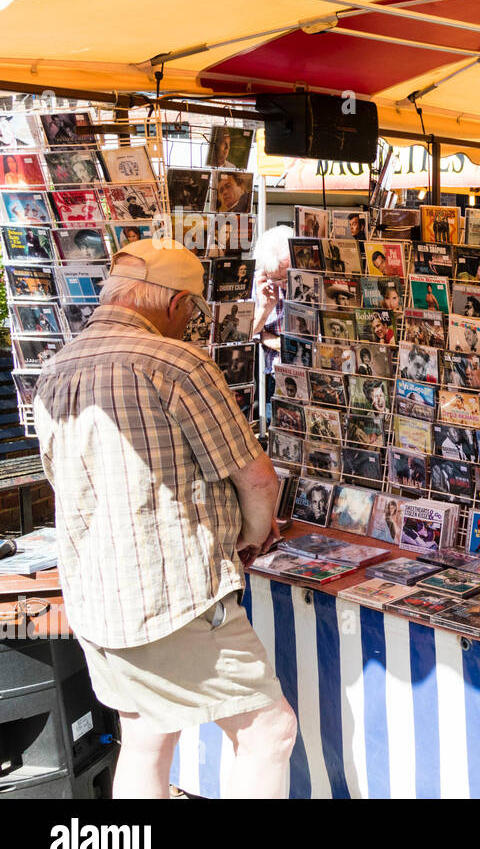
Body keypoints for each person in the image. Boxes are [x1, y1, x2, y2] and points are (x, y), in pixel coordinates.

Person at [32, 239, 296, 798]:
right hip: (173, 595)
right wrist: (250, 538)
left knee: (147, 734)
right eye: (194, 314)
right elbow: (257, 479)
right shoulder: (177, 363)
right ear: (176, 304)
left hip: (98, 595)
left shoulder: (56, 368)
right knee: (268, 731)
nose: (192, 326)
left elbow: (61, 481)